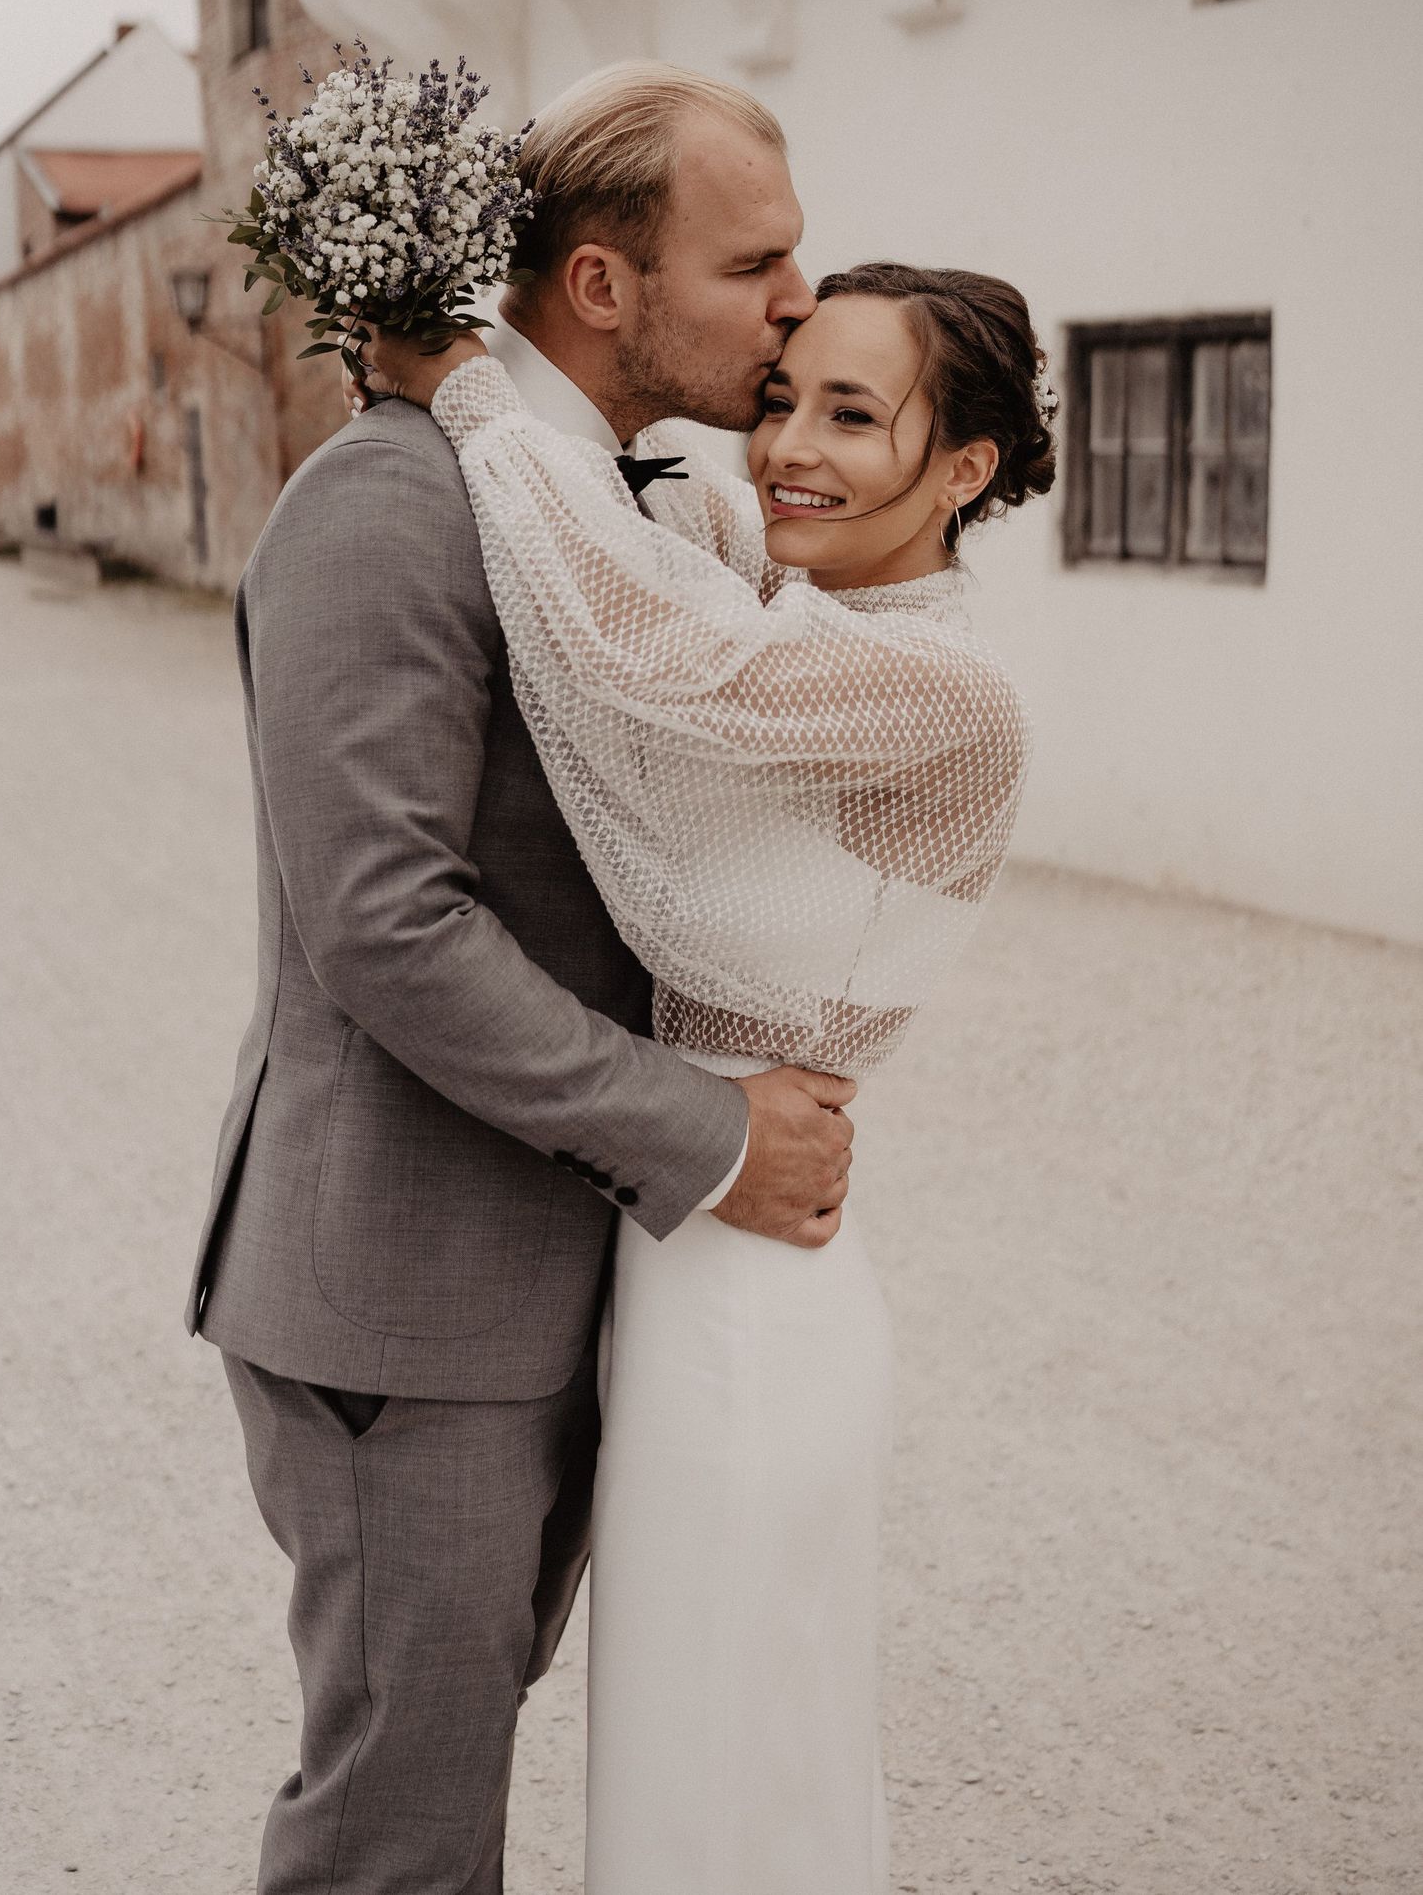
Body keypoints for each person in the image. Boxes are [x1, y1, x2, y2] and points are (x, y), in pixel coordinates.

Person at [185, 64, 859, 1895]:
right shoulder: (386, 505)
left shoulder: (613, 506)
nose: (800, 295)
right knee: (396, 1845)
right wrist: (708, 1133)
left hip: (545, 1283)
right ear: (603, 287)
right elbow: (384, 925)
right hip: (402, 1310)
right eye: (760, 260)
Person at [367, 254, 1056, 1893]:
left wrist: (454, 377)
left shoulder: (939, 687)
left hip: (754, 1292)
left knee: (728, 1768)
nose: (791, 448)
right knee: (704, 1756)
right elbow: (634, 517)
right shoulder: (798, 581)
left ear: (965, 468)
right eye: (781, 399)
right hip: (692, 1240)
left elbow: (634, 654)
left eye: (852, 414)